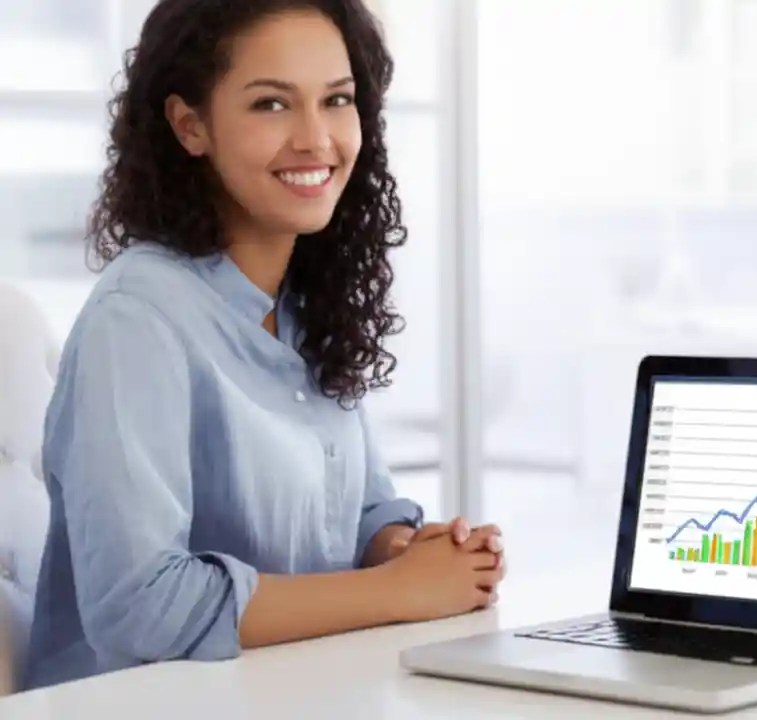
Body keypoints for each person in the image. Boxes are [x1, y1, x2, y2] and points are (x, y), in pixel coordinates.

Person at [23, 0, 505, 690]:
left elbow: (360, 506)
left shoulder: (304, 299)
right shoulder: (137, 319)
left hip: (295, 691)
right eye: (272, 105)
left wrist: (402, 550)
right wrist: (402, 591)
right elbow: (138, 609)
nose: (317, 138)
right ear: (191, 126)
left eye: (337, 100)